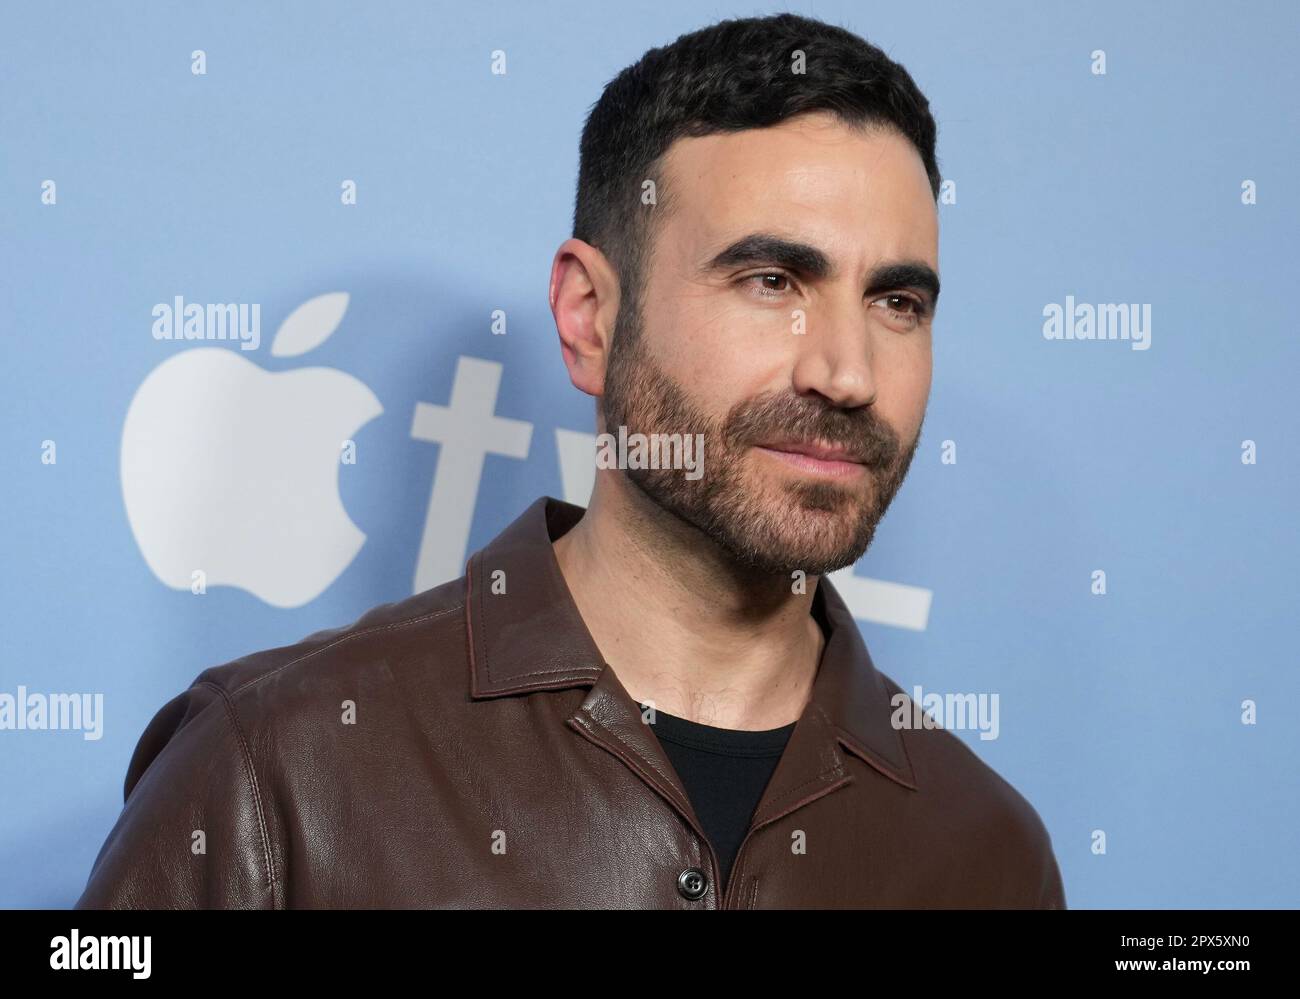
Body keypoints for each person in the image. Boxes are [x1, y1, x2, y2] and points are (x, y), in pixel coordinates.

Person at [77, 12, 1065, 909]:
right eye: (771, 281)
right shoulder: (271, 773)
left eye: (898, 302)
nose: (846, 372)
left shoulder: (986, 848)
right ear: (589, 317)